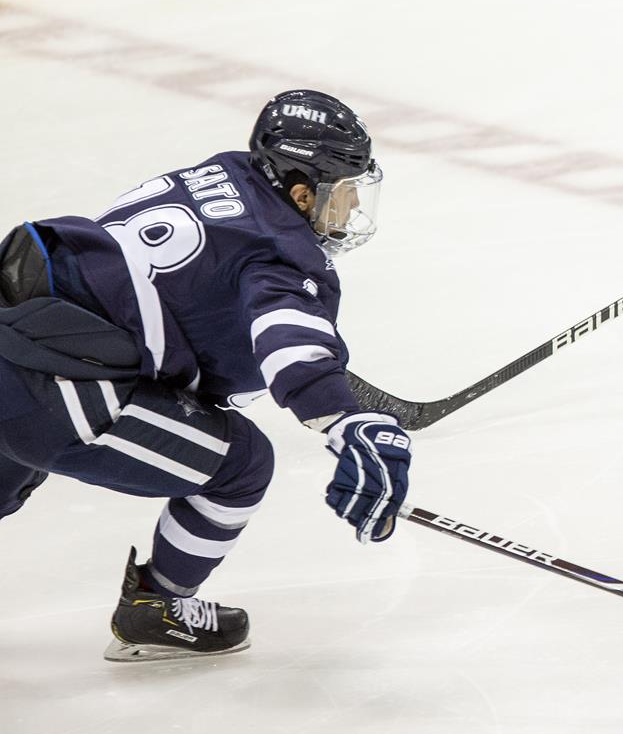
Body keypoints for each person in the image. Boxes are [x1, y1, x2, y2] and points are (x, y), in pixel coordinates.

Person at [0, 90, 413, 660]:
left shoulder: (224, 173)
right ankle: (157, 606)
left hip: (20, 327)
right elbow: (286, 336)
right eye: (341, 193)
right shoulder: (280, 251)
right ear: (300, 191)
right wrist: (345, 418)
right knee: (242, 464)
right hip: (55, 390)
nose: (347, 211)